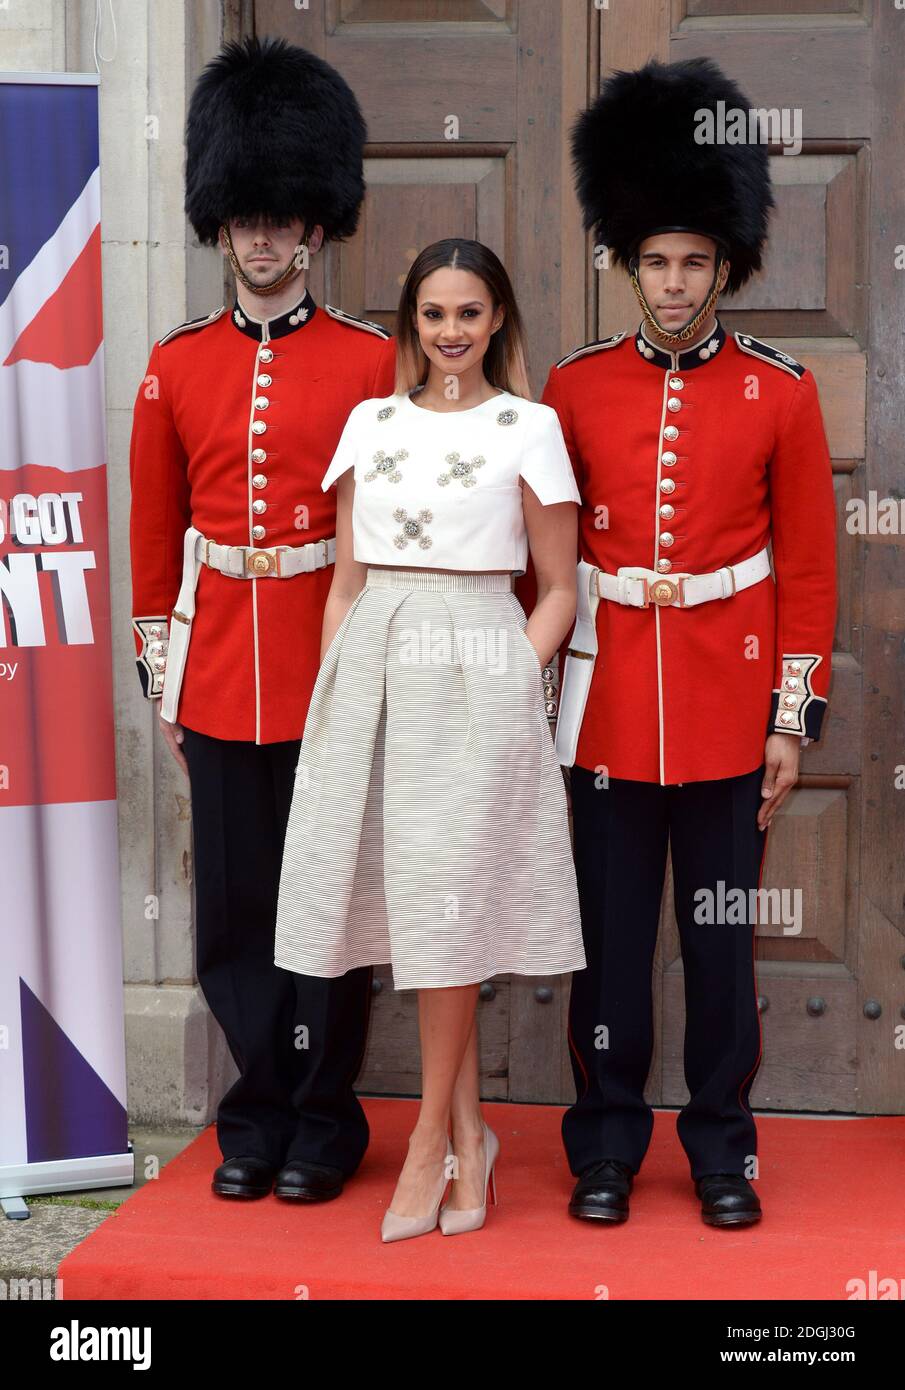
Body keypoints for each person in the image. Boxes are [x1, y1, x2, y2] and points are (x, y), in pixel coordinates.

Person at [543, 57, 837, 1226]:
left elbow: (809, 566)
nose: (672, 284)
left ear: (726, 265)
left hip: (725, 711)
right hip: (606, 709)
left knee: (720, 953)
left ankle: (721, 1149)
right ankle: (605, 1145)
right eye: (654, 260)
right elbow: (543, 560)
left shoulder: (781, 392)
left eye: (693, 262)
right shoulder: (570, 388)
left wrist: (789, 719)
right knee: (610, 951)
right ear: (627, 260)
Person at [274, 238, 586, 1241]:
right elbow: (345, 581)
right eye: (432, 314)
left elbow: (559, 591)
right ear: (412, 321)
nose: (450, 331)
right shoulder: (368, 424)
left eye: (468, 313)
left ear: (496, 321)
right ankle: (467, 1134)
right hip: (373, 670)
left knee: (446, 903)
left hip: (476, 672)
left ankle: (425, 1138)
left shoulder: (527, 428)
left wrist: (509, 684)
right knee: (405, 903)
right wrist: (331, 699)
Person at [128, 36, 396, 1203]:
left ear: (317, 225)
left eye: (284, 215)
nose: (262, 236)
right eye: (244, 214)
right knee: (235, 909)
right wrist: (165, 680)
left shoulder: (375, 363)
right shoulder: (174, 365)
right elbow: (151, 544)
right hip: (222, 671)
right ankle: (253, 1112)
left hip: (332, 664)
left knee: (330, 899)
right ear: (218, 220)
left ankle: (328, 1116)